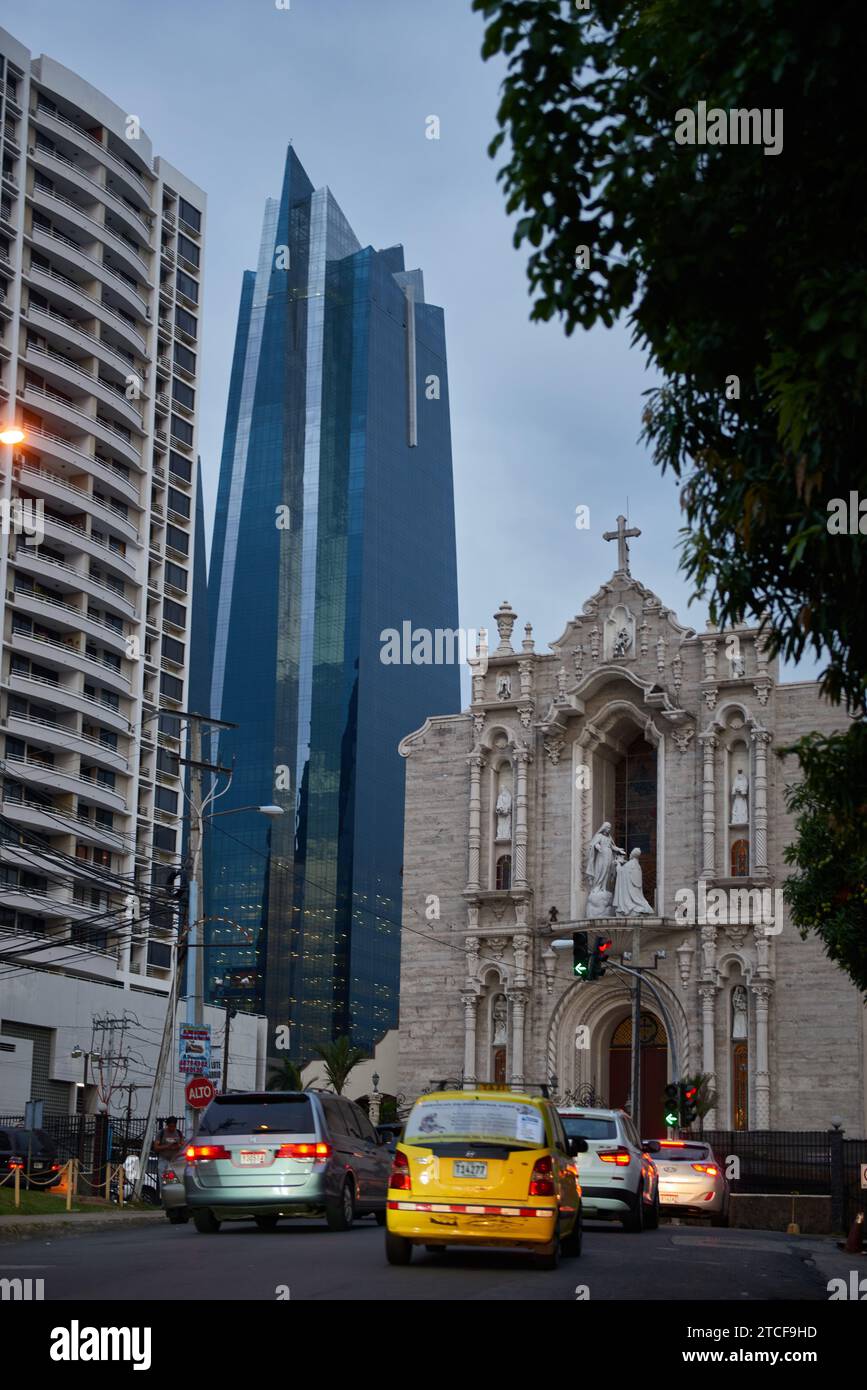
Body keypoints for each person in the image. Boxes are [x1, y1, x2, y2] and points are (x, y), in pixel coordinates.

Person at [154, 1116, 185, 1183]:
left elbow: (183, 1145)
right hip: (163, 1159)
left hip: (175, 1160)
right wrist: (167, 1146)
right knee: (163, 1179)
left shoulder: (179, 1133)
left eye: (174, 1126)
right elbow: (156, 1147)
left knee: (174, 1180)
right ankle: (162, 1192)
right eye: (170, 1126)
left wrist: (177, 1146)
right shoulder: (161, 1133)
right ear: (167, 1125)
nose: (172, 1128)